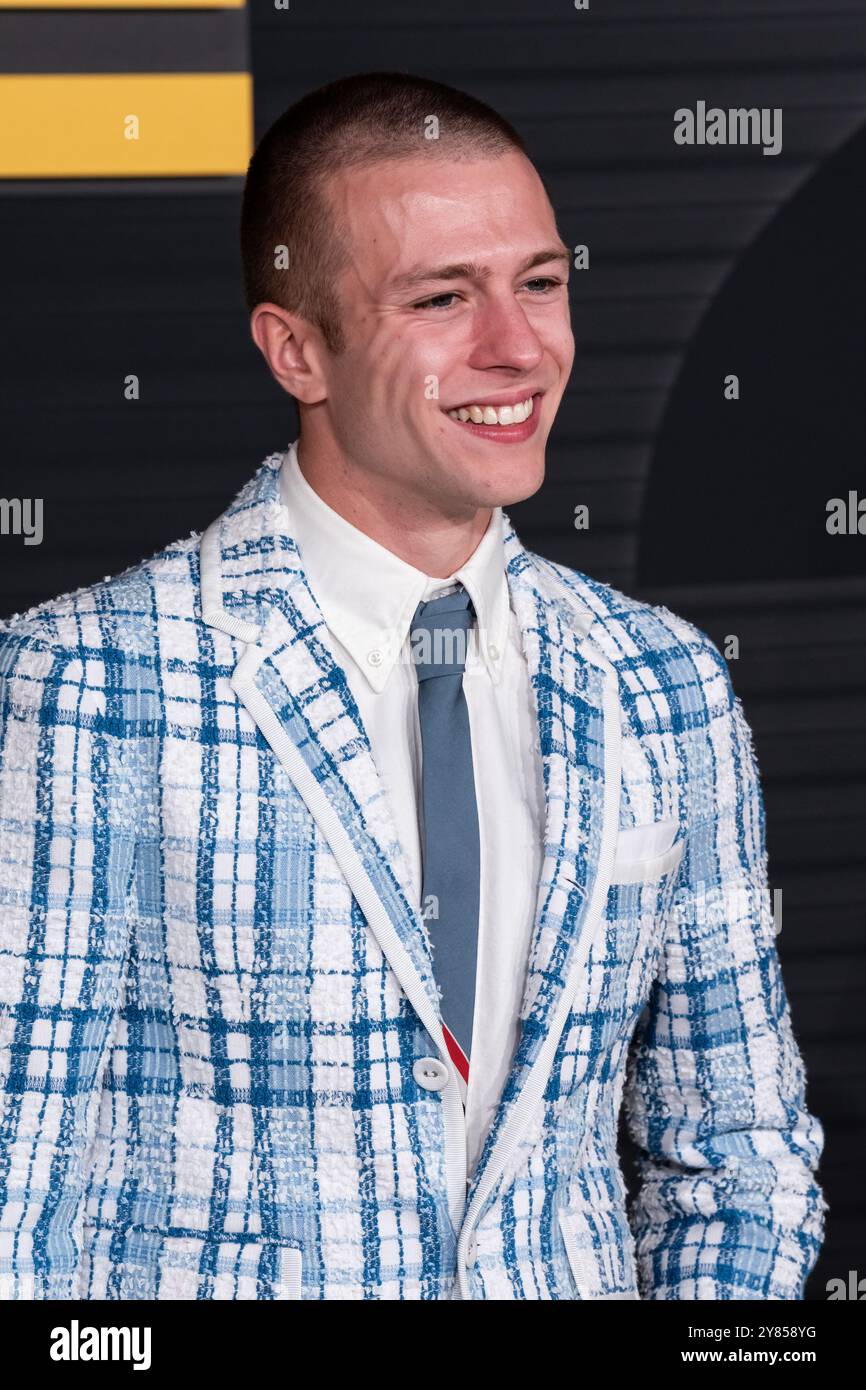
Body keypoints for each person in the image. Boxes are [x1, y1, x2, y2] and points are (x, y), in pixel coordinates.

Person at [0, 71, 826, 1301]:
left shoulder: (665, 682)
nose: (518, 347)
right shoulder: (77, 681)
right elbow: (19, 1184)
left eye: (539, 283)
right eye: (442, 297)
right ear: (296, 350)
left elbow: (740, 1153)